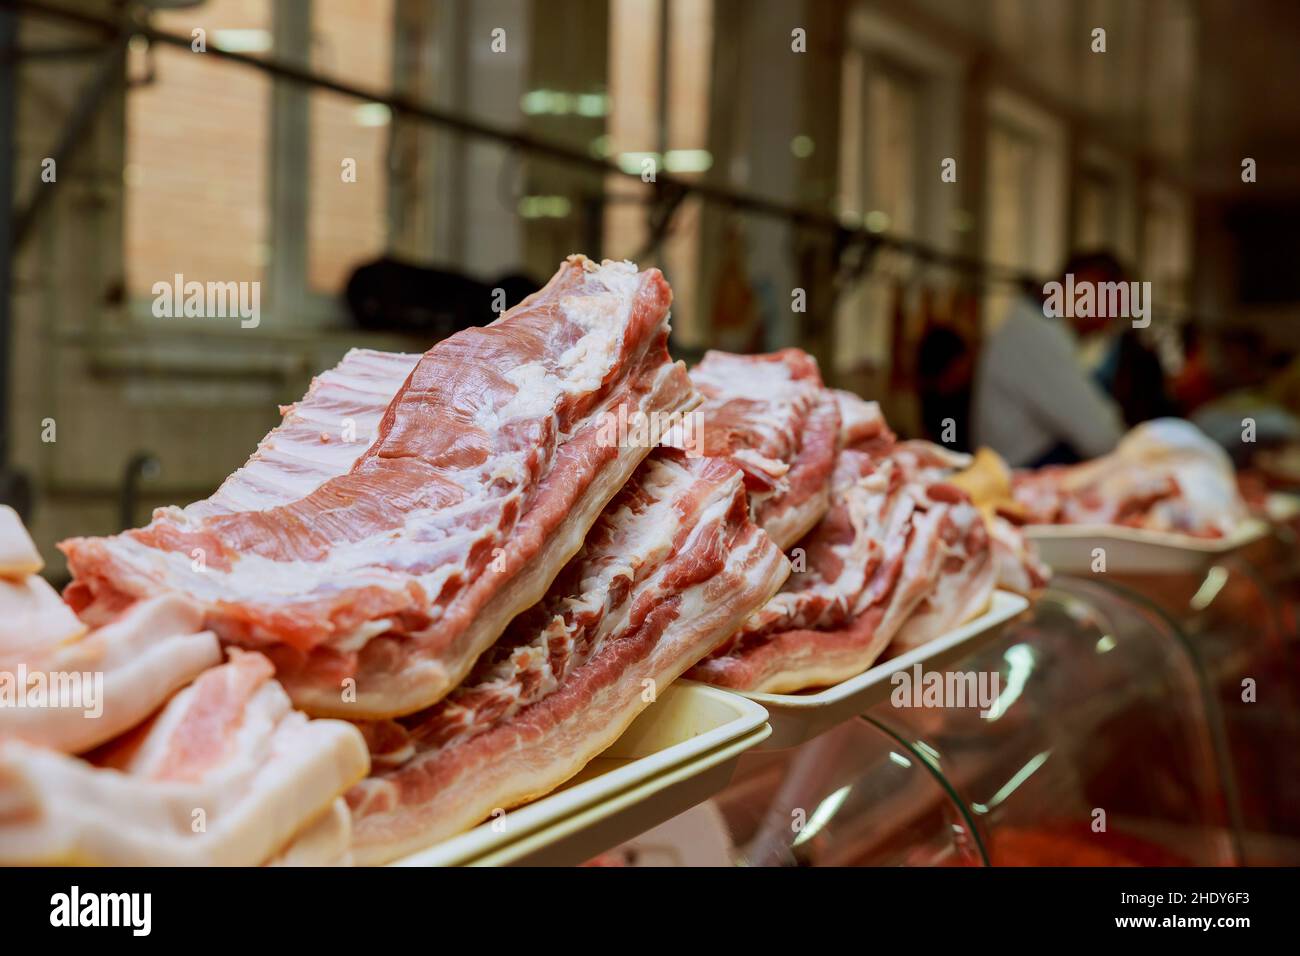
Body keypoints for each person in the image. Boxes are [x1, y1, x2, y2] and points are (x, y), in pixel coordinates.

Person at [972, 252, 1126, 467]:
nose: (1106, 324)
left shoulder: (1036, 328)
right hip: (1020, 474)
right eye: (1111, 308)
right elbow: (1102, 438)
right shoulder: (1035, 336)